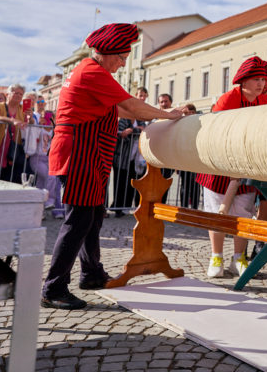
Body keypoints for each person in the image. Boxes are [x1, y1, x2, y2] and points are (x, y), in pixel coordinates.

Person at [41, 23, 184, 310]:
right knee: (79, 219)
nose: (122, 63)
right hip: (80, 152)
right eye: (121, 57)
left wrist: (156, 115)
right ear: (106, 53)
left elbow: (116, 108)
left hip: (89, 154)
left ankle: (92, 274)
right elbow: (131, 107)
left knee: (93, 216)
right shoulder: (93, 71)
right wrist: (168, 115)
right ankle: (53, 288)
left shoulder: (91, 71)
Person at [196, 56, 267, 279]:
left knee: (242, 215)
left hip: (247, 168)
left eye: (263, 79)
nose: (261, 83)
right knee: (216, 215)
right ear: (243, 81)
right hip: (218, 168)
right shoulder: (227, 99)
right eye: (256, 79)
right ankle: (216, 258)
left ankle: (238, 259)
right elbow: (214, 133)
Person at [0, 84, 26, 183]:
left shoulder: (23, 109)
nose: (18, 96)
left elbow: (27, 124)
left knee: (8, 179)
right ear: (7, 94)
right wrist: (11, 120)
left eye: (21, 94)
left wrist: (30, 118)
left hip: (14, 150)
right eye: (16, 93)